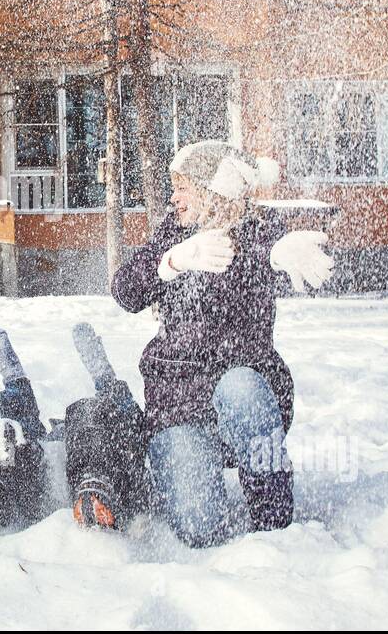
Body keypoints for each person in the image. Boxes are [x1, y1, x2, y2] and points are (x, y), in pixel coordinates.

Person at [108, 141, 333, 546]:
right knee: (199, 527)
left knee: (242, 385)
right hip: (178, 408)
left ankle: (275, 520)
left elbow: (257, 257)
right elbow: (125, 290)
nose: (173, 197)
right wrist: (172, 262)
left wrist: (277, 255)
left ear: (214, 192)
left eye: (183, 187)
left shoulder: (256, 234)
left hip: (240, 405)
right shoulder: (172, 235)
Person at [0, 322, 146, 538]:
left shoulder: (93, 424)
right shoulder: (41, 447)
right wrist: (15, 380)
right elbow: (23, 429)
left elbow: (130, 420)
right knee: (3, 431)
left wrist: (104, 376)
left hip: (96, 480)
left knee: (88, 411)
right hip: (36, 491)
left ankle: (95, 497)